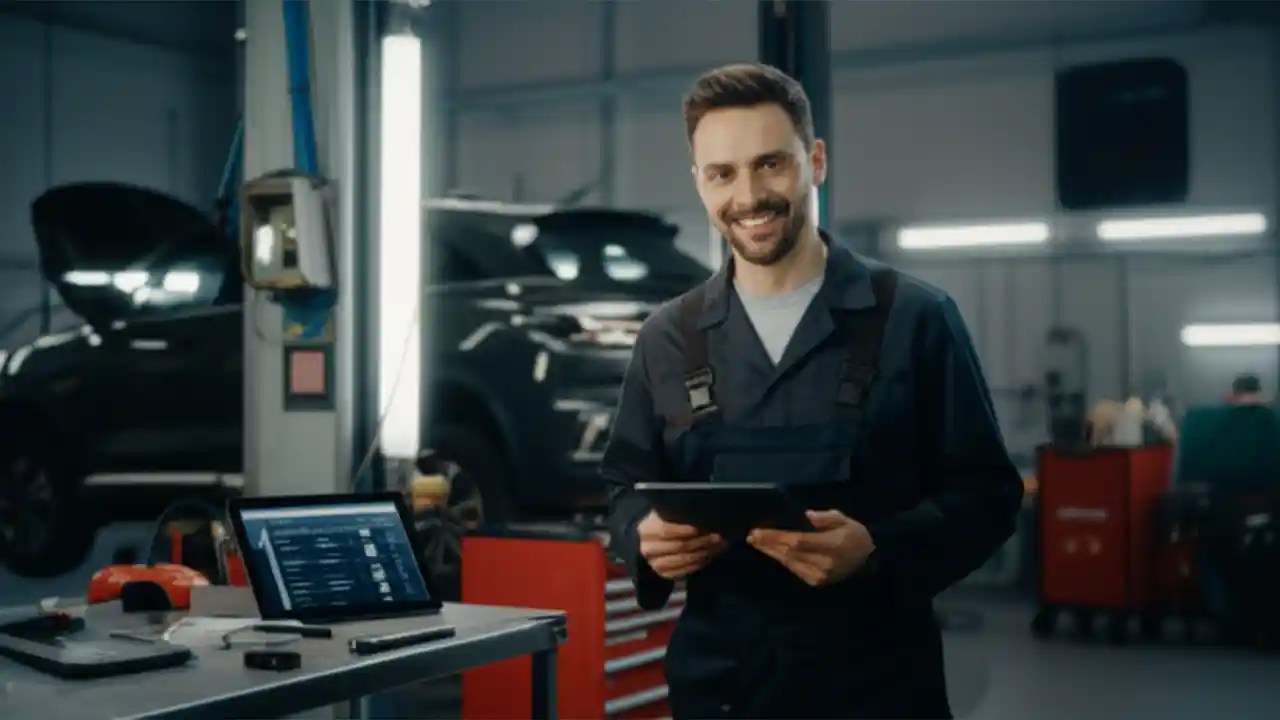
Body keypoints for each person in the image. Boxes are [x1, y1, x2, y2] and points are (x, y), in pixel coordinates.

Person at [601, 63, 1024, 719]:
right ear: (699, 182)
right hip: (721, 690)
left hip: (877, 689)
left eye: (771, 164)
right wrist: (643, 536)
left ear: (815, 160)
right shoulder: (668, 338)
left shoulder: (914, 319)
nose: (749, 195)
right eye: (722, 173)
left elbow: (989, 495)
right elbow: (623, 485)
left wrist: (880, 548)